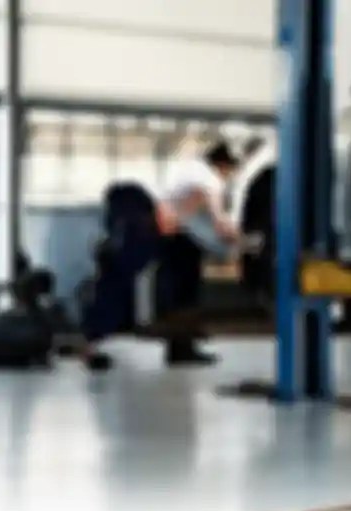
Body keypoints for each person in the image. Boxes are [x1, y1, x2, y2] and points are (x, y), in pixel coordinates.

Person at [80, 141, 242, 371]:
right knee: (127, 279)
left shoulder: (190, 171)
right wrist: (245, 241)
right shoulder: (210, 178)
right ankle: (96, 343)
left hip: (142, 217)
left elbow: (190, 222)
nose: (229, 176)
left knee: (164, 277)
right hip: (146, 220)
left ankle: (179, 346)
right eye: (230, 170)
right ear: (222, 165)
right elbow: (220, 224)